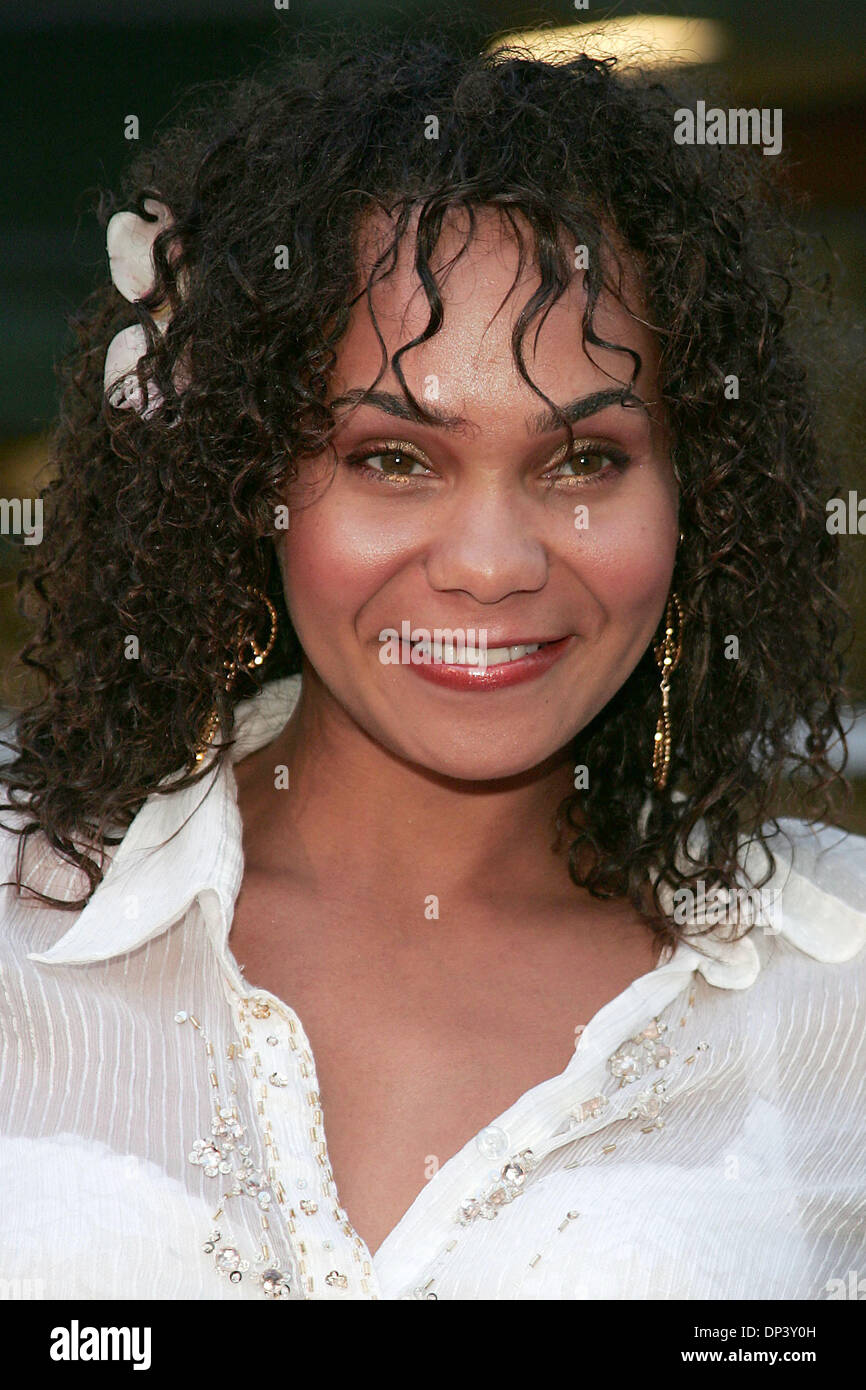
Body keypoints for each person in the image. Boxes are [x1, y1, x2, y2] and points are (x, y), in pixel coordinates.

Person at [1, 22, 864, 1301]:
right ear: (245, 480)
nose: (492, 560)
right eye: (392, 458)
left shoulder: (834, 986)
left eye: (584, 460)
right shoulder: (27, 896)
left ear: (700, 495)